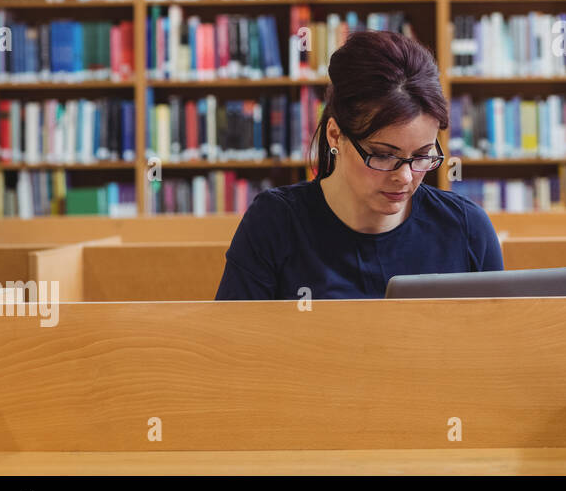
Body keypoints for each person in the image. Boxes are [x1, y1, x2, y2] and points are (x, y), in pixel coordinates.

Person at [215, 30, 502, 300]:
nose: (405, 176)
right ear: (335, 135)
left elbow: (499, 345)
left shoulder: (467, 229)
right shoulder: (274, 224)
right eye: (383, 155)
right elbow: (232, 345)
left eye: (422, 155)